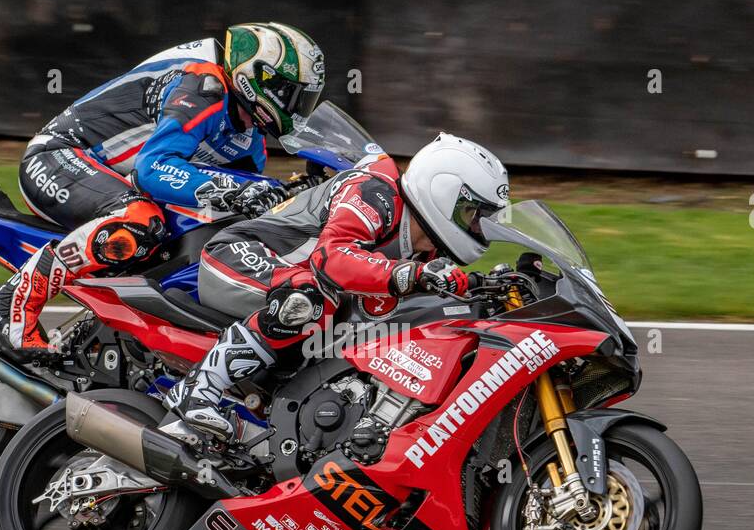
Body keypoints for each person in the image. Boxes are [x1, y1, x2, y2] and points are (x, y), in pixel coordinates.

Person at [0, 22, 326, 356]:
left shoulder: (249, 138)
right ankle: (11, 302)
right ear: (259, 78)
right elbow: (152, 169)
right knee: (139, 222)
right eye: (291, 96)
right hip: (59, 157)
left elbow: (240, 200)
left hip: (110, 180)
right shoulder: (204, 86)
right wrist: (229, 188)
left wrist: (289, 195)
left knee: (187, 238)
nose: (297, 109)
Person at [164, 133, 510, 442]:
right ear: (443, 193)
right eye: (473, 213)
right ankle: (198, 390)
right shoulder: (375, 193)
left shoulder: (426, 247)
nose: (479, 227)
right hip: (238, 255)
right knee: (311, 299)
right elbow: (332, 259)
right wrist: (410, 274)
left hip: (285, 283)